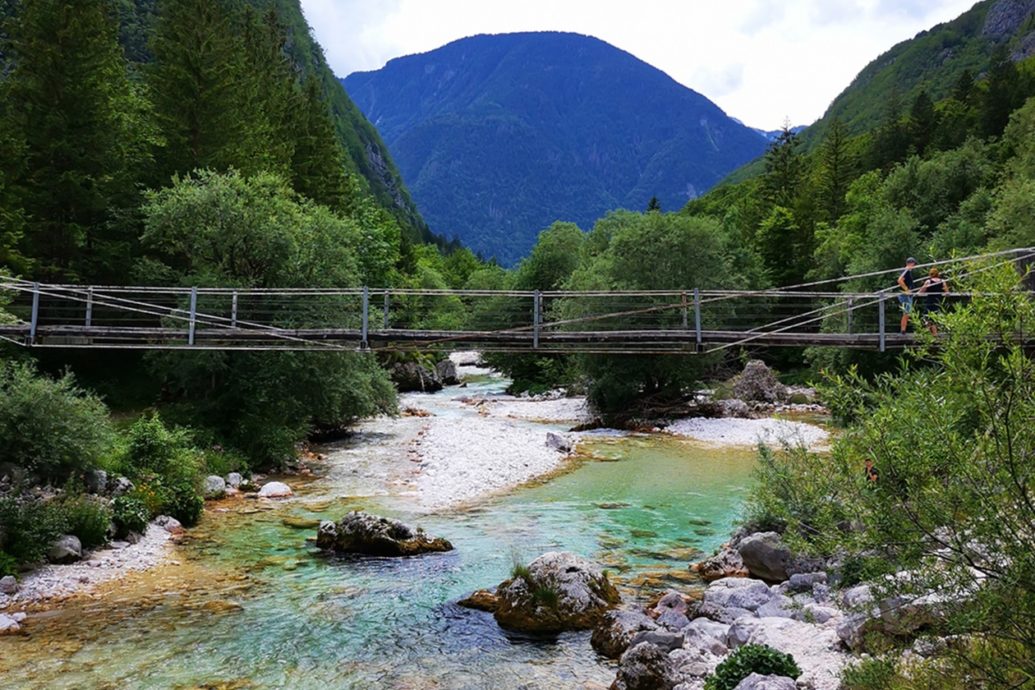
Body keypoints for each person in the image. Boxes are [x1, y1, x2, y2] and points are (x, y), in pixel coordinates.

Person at [917, 267, 948, 335]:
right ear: (938, 274)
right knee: (934, 317)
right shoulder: (942, 281)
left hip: (930, 301)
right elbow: (947, 293)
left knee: (928, 317)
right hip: (938, 302)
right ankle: (933, 333)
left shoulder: (928, 281)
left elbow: (920, 292)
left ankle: (931, 334)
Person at [896, 257, 918, 335]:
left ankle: (903, 330)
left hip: (908, 295)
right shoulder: (905, 270)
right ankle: (903, 331)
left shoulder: (907, 271)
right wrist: (906, 289)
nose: (914, 266)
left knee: (907, 313)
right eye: (914, 264)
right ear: (910, 263)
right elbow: (899, 280)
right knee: (907, 312)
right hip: (905, 295)